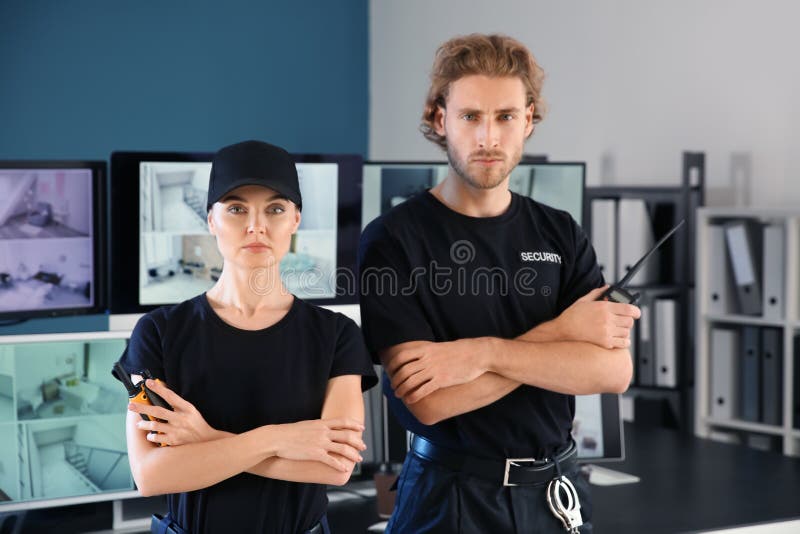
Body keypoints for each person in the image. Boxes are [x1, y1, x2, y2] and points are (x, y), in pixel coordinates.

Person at [358, 34, 640, 533]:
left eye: (506, 116)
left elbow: (611, 371)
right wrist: (561, 333)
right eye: (471, 116)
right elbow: (429, 402)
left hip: (558, 495)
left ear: (528, 120)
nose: (489, 137)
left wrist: (481, 354)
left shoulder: (560, 232)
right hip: (450, 498)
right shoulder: (394, 240)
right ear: (440, 119)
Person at [119, 140, 377, 534]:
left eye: (275, 209)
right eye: (237, 208)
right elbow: (152, 475)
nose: (256, 225)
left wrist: (206, 438)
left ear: (295, 220)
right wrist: (277, 439)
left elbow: (335, 468)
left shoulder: (336, 334)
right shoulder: (158, 332)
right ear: (210, 220)